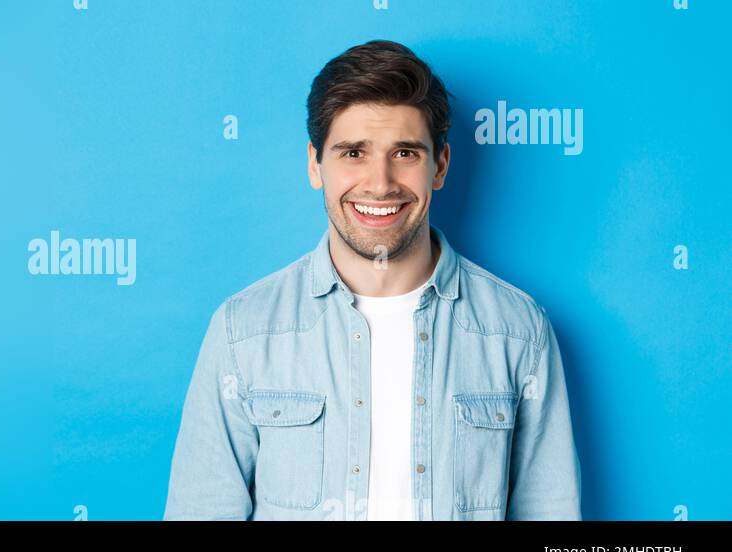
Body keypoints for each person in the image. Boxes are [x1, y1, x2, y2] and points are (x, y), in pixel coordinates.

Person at [163, 40, 582, 521]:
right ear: (315, 165)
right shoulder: (244, 331)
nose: (379, 183)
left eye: (404, 152)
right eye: (353, 152)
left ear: (439, 166)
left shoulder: (517, 331)